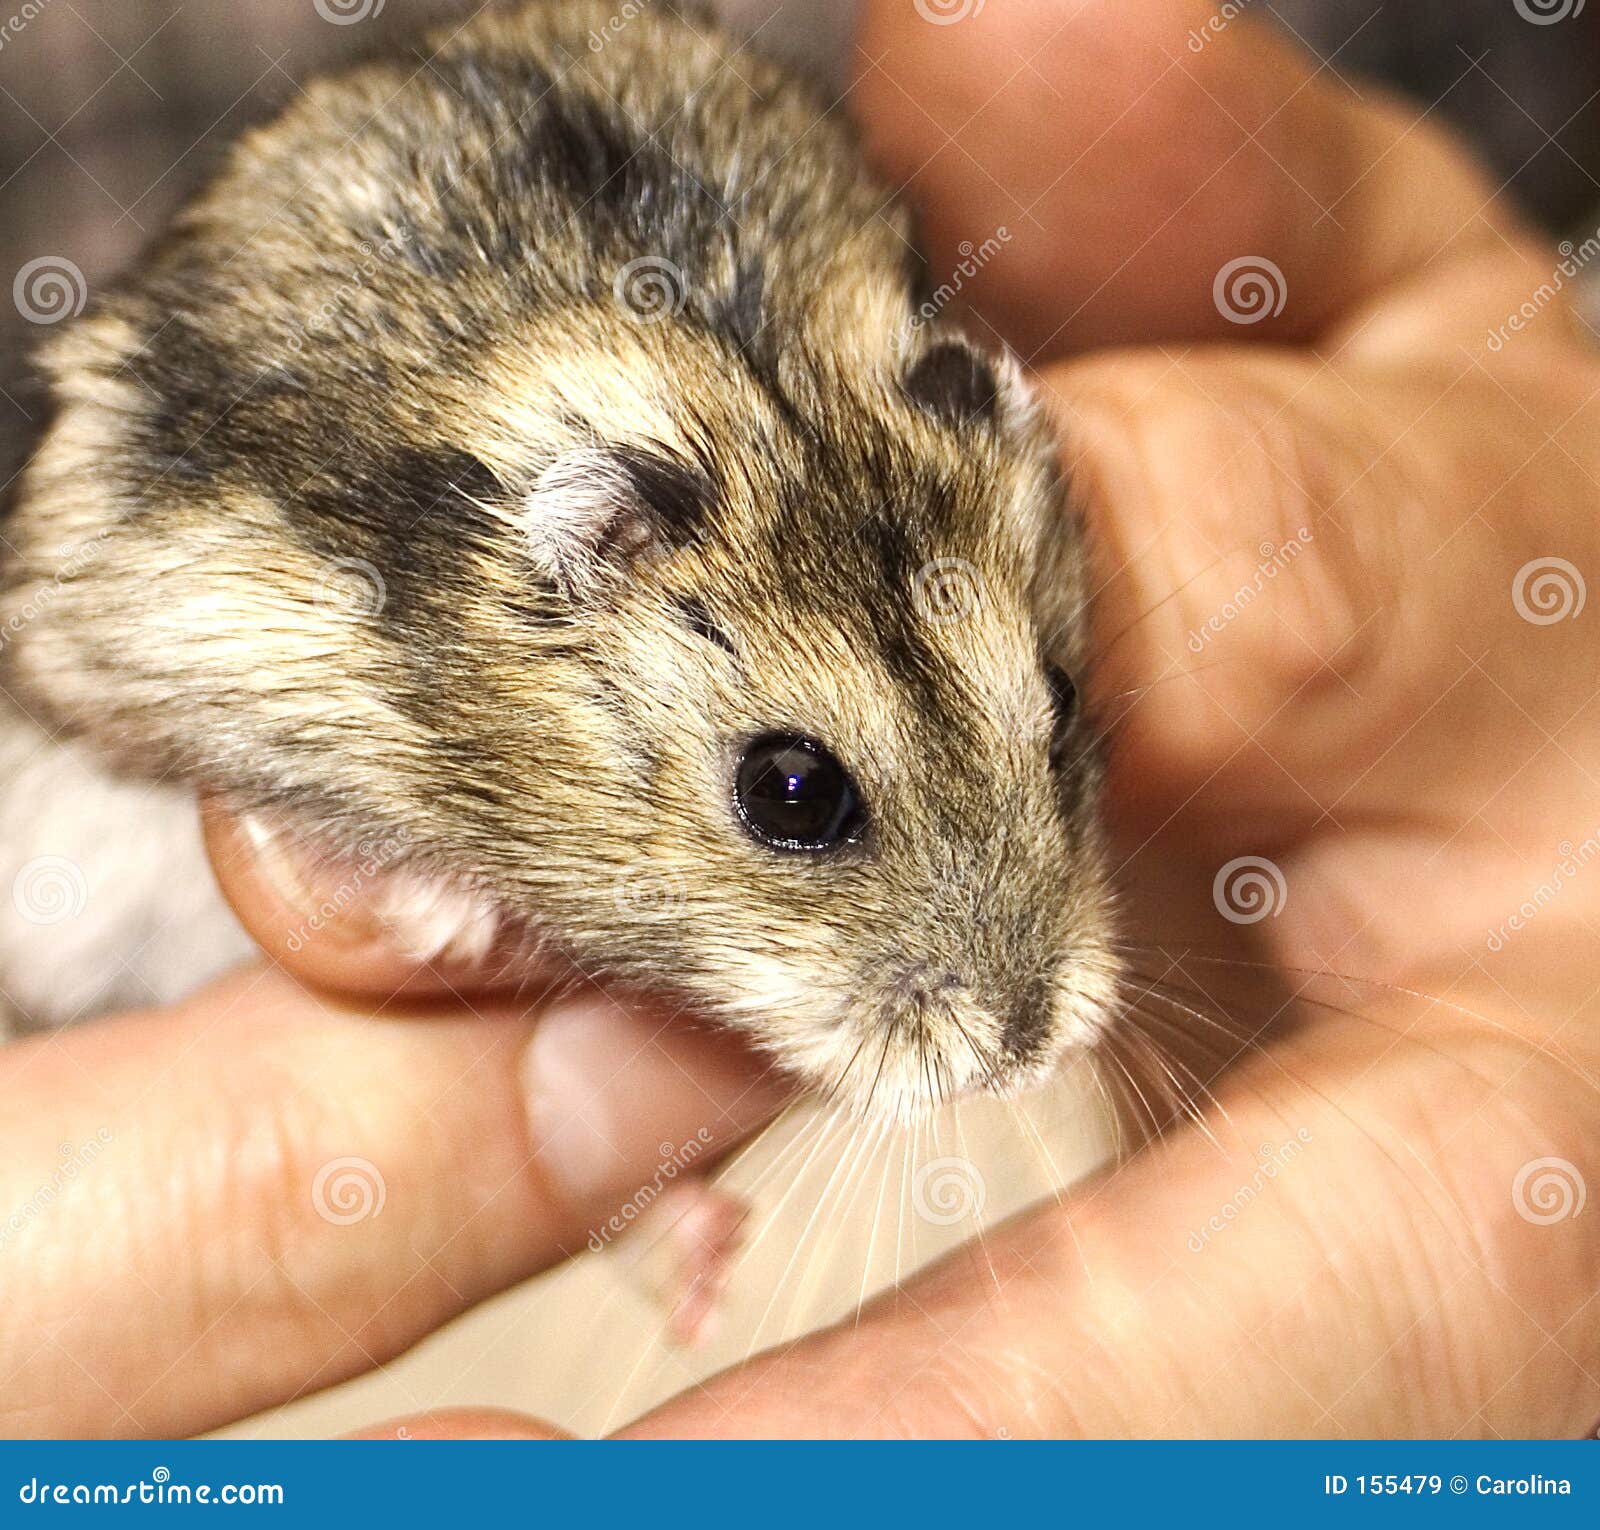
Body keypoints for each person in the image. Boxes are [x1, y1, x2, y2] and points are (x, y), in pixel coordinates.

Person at [3, 0, 1596, 1438]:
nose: (1022, 1001)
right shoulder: (377, 577)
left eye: (1045, 727)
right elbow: (114, 589)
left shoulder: (948, 423)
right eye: (796, 789)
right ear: (567, 566)